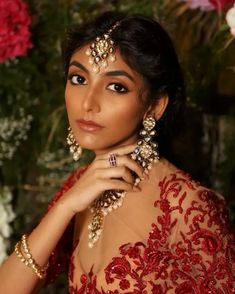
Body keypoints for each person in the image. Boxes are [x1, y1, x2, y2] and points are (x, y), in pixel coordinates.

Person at [0, 11, 235, 294]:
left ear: (154, 106)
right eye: (78, 78)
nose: (88, 102)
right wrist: (65, 207)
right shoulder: (80, 188)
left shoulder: (187, 207)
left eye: (116, 86)